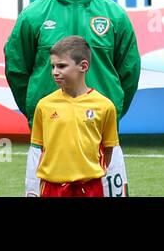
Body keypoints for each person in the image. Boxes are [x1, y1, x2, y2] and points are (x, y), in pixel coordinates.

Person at [5, 0, 139, 196]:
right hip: (47, 141)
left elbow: (128, 73)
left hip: (102, 140)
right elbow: (17, 71)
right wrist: (39, 115)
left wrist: (106, 116)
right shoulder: (33, 15)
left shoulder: (115, 15)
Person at [29, 36, 120, 198]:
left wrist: (85, 172)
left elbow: (108, 149)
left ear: (83, 66)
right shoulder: (44, 105)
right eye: (53, 66)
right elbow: (41, 148)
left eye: (62, 66)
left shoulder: (105, 106)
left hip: (89, 188)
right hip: (52, 188)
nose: (55, 72)